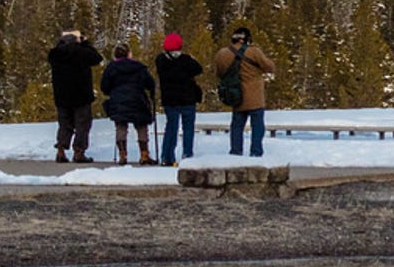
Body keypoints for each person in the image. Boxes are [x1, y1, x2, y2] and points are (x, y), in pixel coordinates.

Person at [215, 27, 276, 156]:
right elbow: (270, 67)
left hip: (236, 95)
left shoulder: (222, 53)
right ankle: (256, 152)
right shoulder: (254, 52)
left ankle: (236, 152)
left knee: (237, 127)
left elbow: (219, 73)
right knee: (257, 127)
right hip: (255, 97)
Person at [46, 30, 103, 163]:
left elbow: (55, 50)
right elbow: (97, 58)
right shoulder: (82, 52)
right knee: (82, 124)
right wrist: (85, 43)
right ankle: (79, 151)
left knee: (65, 124)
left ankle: (61, 149)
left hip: (62, 95)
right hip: (81, 94)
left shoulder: (55, 54)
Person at [102, 39, 160, 165]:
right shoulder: (139, 67)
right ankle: (144, 154)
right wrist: (151, 93)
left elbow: (104, 87)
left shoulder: (111, 68)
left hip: (118, 101)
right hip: (137, 100)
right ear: (128, 54)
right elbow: (150, 83)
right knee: (141, 126)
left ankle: (123, 154)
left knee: (121, 127)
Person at [154, 32, 206, 164]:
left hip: (170, 100)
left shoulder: (161, 60)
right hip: (187, 99)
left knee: (171, 127)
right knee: (188, 128)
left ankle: (167, 156)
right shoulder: (186, 60)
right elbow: (199, 69)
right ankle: (187, 154)